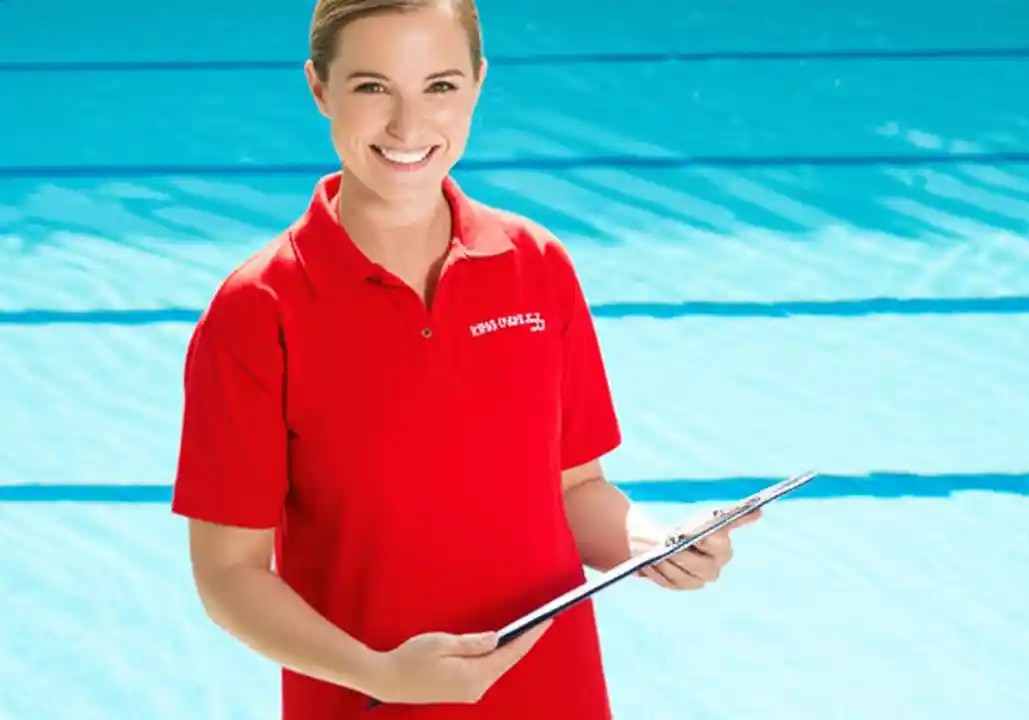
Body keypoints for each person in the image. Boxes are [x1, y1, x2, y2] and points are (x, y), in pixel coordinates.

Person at [170, 1, 760, 718]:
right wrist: (379, 674)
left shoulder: (536, 264)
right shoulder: (259, 309)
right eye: (372, 87)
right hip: (367, 703)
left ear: (478, 83)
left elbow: (574, 492)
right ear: (319, 88)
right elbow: (229, 577)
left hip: (557, 696)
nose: (408, 127)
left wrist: (654, 541)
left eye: (439, 87)